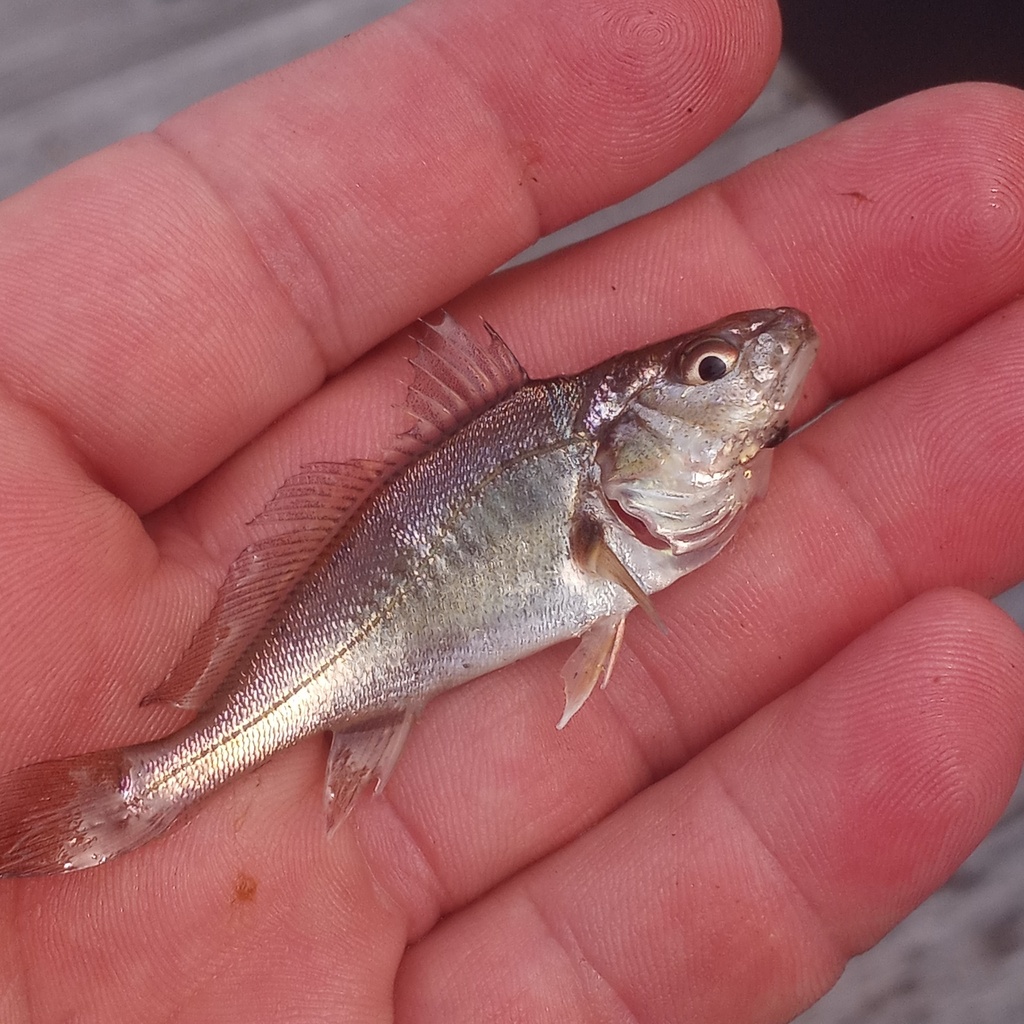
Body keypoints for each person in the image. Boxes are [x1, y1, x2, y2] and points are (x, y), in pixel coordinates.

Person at [1, 0, 1023, 1020]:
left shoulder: (603, 493)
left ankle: (159, 779)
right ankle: (156, 781)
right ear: (617, 441)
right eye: (710, 370)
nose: (753, 370)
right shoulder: (583, 491)